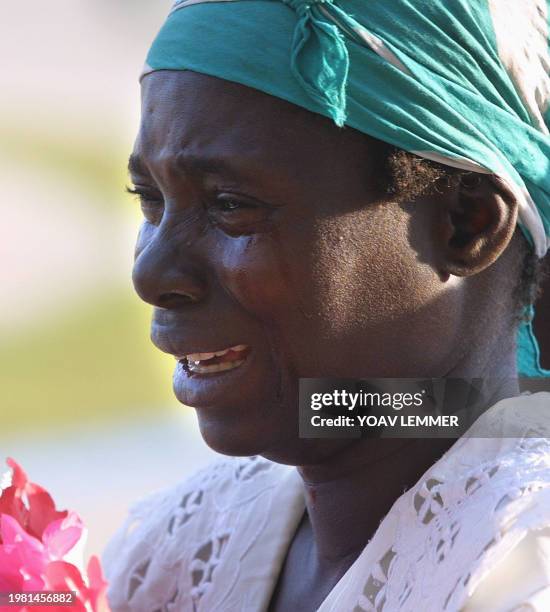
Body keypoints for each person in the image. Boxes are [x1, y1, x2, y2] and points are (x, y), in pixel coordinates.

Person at [103, 1, 550, 610]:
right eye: (149, 198)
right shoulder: (186, 547)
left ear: (463, 224)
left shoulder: (524, 572)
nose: (151, 273)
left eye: (230, 205)